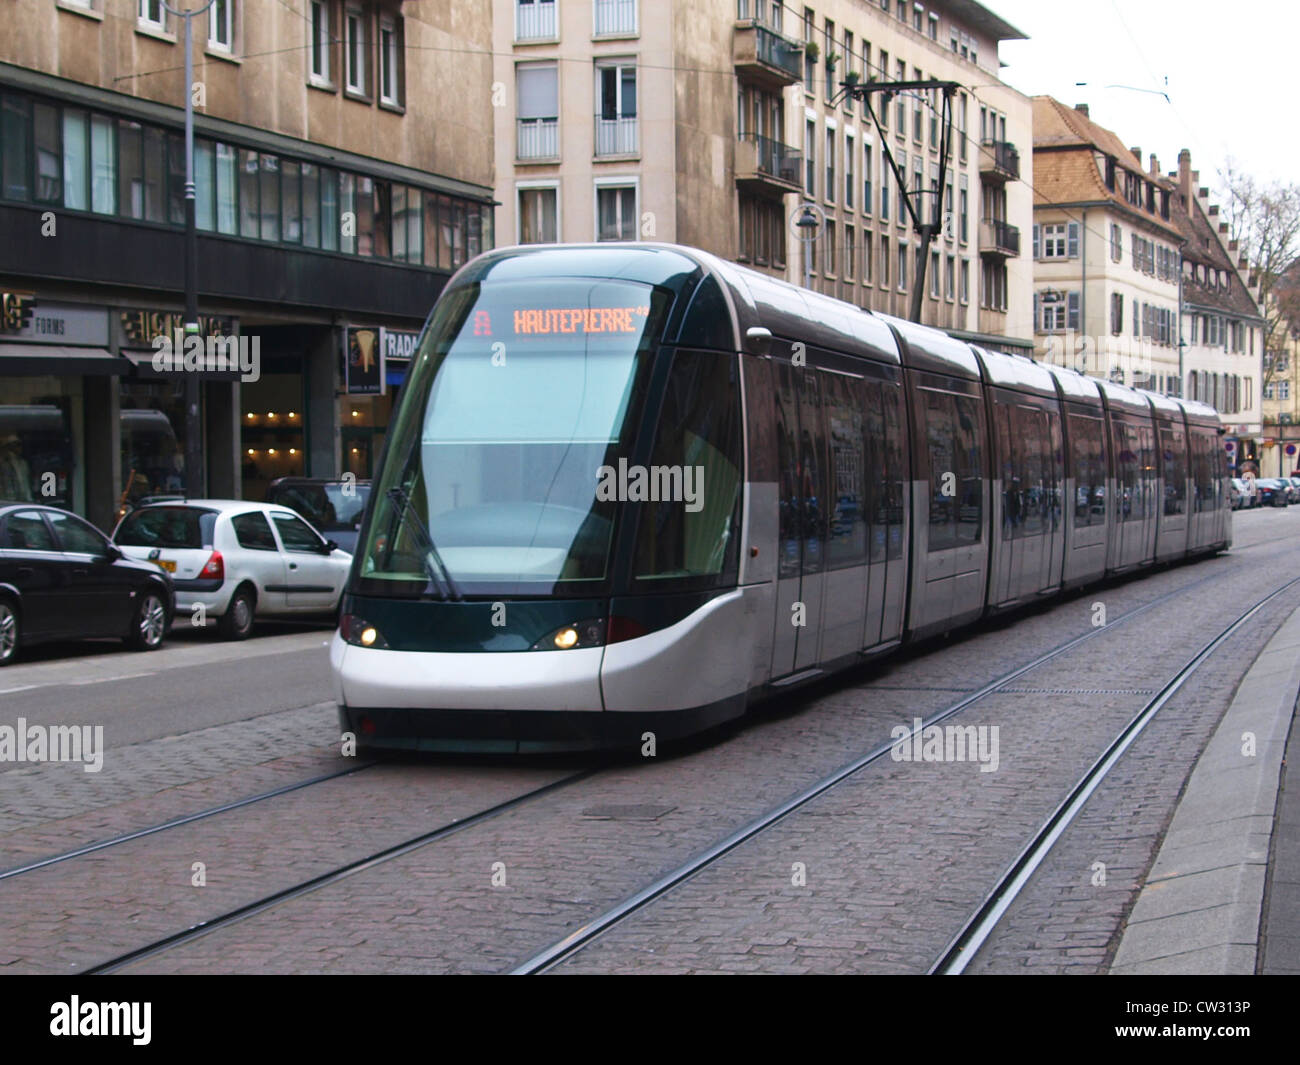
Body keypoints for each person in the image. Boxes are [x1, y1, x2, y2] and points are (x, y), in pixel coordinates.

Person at [0, 434, 32, 501]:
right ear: (10, 446)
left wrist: (29, 497)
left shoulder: (23, 463)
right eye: (16, 445)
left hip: (24, 498)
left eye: (19, 445)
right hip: (9, 499)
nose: (19, 447)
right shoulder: (4, 463)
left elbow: (26, 482)